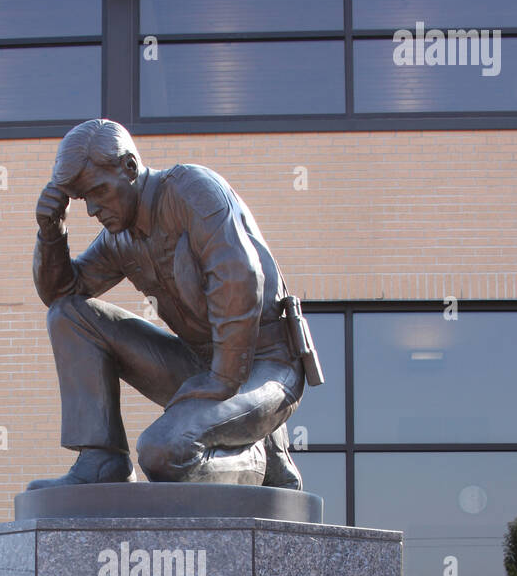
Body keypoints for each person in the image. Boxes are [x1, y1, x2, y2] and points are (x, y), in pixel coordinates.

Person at [28, 118, 311, 490]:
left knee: (164, 453)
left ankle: (259, 455)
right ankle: (102, 462)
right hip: (202, 368)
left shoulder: (192, 190)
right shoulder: (119, 236)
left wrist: (222, 379)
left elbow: (241, 279)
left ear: (129, 168)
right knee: (68, 315)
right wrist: (51, 234)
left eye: (98, 191)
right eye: (84, 199)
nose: (93, 209)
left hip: (266, 365)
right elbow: (62, 292)